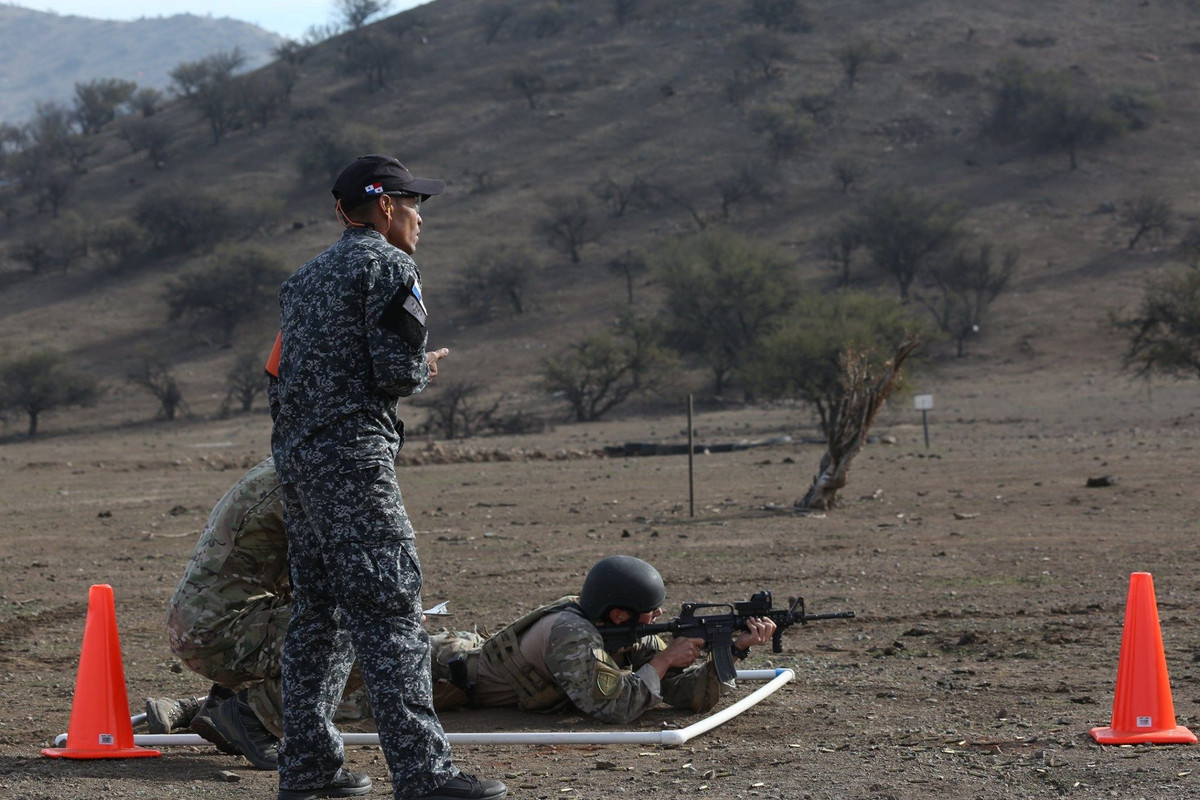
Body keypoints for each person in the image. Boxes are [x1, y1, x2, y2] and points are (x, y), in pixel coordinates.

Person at [269, 155, 506, 800]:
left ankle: (309, 770)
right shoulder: (390, 265)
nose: (420, 217)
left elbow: (280, 374)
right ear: (382, 206)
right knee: (391, 610)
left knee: (319, 618)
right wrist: (424, 366)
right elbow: (395, 373)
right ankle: (424, 775)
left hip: (298, 466)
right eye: (413, 203)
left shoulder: (301, 281)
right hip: (353, 463)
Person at [148, 457, 370, 771]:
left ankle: (224, 705)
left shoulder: (288, 464)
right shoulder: (316, 481)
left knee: (329, 618)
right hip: (223, 633)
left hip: (206, 625)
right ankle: (253, 718)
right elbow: (329, 579)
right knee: (364, 634)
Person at [427, 555, 777, 723]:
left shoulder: (622, 631)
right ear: (619, 614)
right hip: (438, 668)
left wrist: (734, 648)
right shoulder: (571, 634)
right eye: (650, 609)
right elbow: (614, 707)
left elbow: (683, 694)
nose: (658, 615)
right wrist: (664, 659)